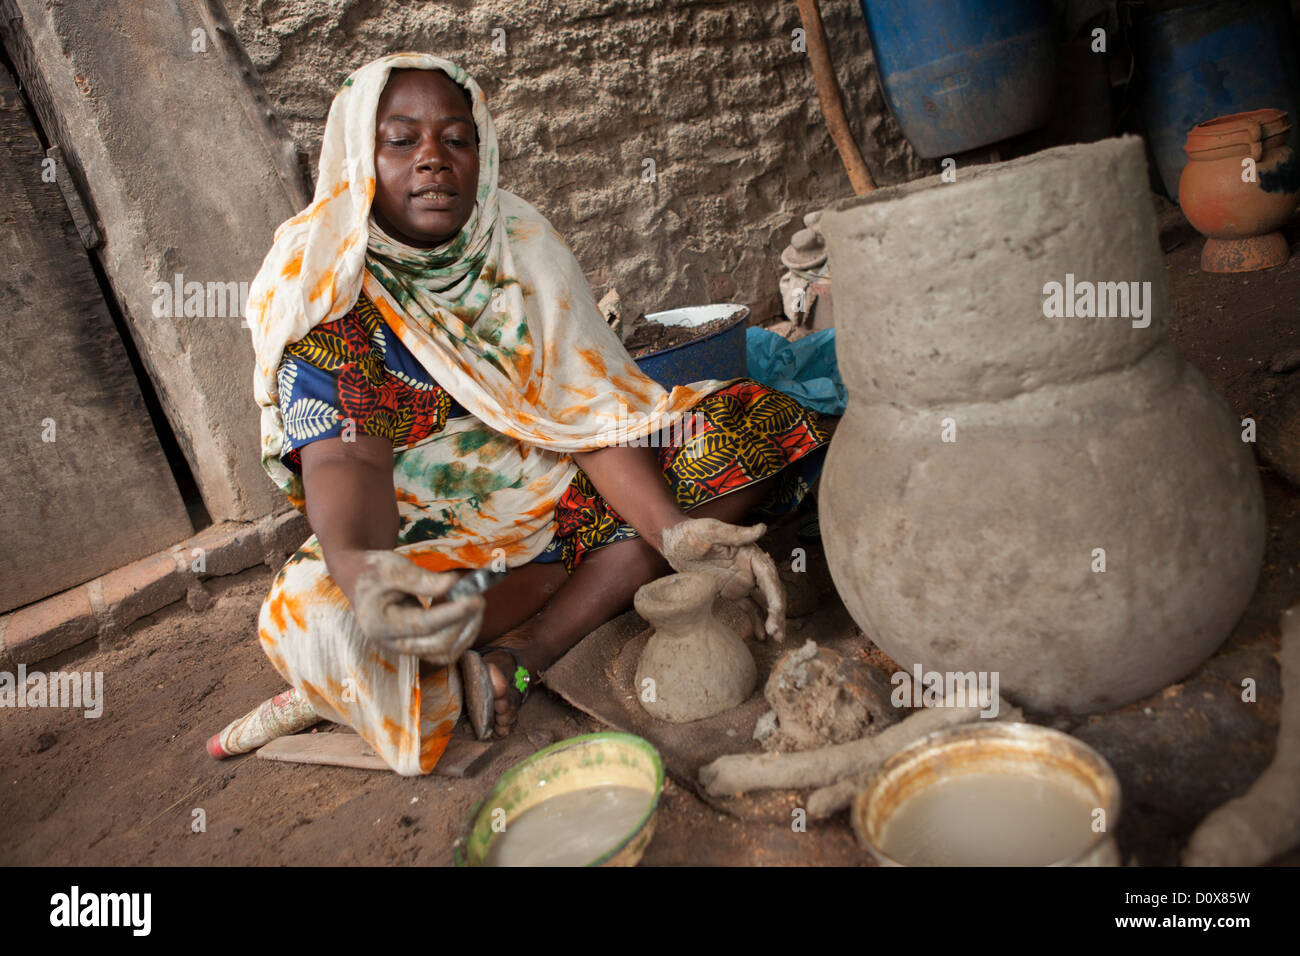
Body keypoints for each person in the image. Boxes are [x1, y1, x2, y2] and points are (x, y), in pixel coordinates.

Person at [245, 52, 830, 775]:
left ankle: (530, 647)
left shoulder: (519, 244)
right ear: (357, 153)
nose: (433, 160)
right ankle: (574, 585)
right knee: (315, 616)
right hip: (423, 514)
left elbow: (589, 417)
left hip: (559, 477)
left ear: (482, 151)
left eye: (457, 139)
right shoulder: (324, 275)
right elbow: (345, 453)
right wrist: (366, 571)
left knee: (754, 419)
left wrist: (674, 532)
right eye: (401, 141)